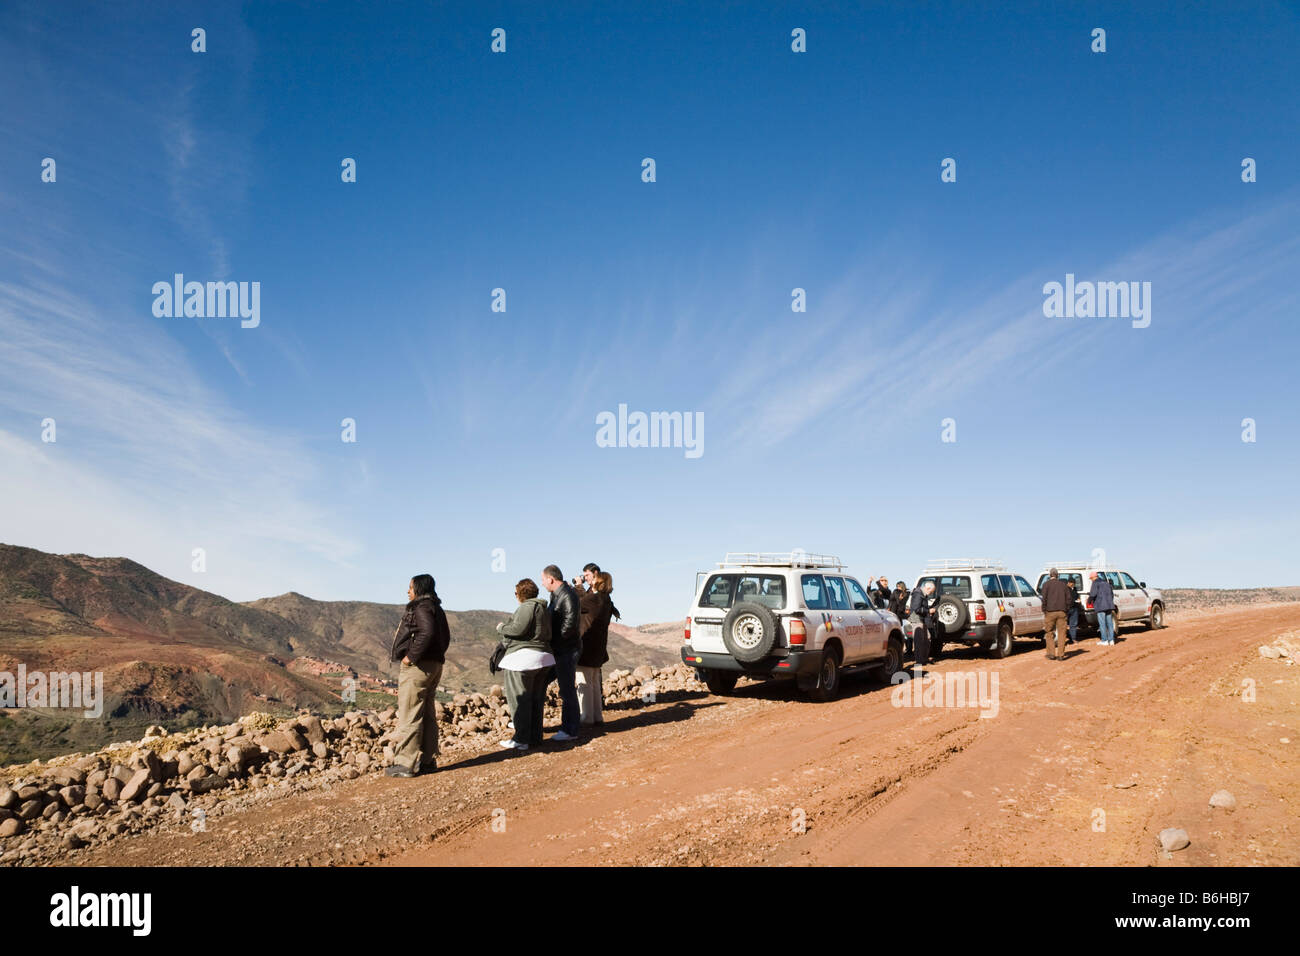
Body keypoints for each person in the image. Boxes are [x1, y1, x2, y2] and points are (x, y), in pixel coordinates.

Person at [387, 573, 451, 777]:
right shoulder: (436, 608)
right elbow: (444, 637)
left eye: (410, 587)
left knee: (410, 713)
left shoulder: (421, 607)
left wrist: (410, 657)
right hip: (434, 665)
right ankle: (428, 760)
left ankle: (405, 763)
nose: (408, 591)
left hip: (418, 668)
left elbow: (427, 632)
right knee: (427, 714)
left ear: (419, 589)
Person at [496, 578, 553, 751]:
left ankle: (521, 739)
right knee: (535, 700)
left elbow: (517, 629)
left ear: (521, 593)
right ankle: (535, 737)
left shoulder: (527, 606)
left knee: (519, 699)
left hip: (523, 660)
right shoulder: (543, 608)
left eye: (515, 593)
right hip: (544, 658)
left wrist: (501, 628)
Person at [542, 564, 582, 741]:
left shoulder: (567, 596)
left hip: (566, 650)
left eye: (543, 580)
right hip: (558, 649)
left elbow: (570, 625)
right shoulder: (557, 595)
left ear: (551, 579)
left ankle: (570, 729)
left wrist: (554, 640)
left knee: (567, 690)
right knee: (544, 681)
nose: (542, 584)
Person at [576, 571, 614, 727]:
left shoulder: (593, 598)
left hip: (587, 646)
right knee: (593, 683)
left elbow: (577, 604)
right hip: (599, 647)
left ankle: (586, 717)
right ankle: (597, 716)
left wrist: (578, 586)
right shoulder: (607, 600)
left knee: (584, 682)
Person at [1040, 568, 1070, 661]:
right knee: (1062, 633)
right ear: (1057, 575)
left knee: (1049, 633)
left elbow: (1044, 599)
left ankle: (1051, 654)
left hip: (1050, 612)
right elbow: (1069, 599)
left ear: (1050, 575)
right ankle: (1061, 655)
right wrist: (1066, 610)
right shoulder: (1063, 585)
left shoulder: (1046, 585)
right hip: (1062, 612)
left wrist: (1044, 610)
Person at [908, 580, 938, 669]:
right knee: (919, 641)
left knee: (927, 637)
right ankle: (919, 661)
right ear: (927, 588)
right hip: (916, 619)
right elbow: (916, 609)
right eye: (931, 592)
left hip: (922, 619)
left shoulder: (921, 593)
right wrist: (929, 611)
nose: (930, 594)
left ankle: (924, 659)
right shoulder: (918, 594)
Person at [1088, 571, 1118, 646]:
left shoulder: (1095, 583)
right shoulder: (1106, 583)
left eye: (1091, 578)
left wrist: (1089, 601)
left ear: (1093, 577)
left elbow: (1093, 594)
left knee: (1102, 623)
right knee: (1110, 623)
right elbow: (1112, 594)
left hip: (1101, 606)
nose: (1091, 580)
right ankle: (1111, 640)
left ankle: (1104, 640)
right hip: (1109, 605)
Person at [888, 581, 911, 652]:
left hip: (901, 614)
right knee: (900, 633)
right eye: (897, 587)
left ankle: (908, 649)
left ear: (903, 586)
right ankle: (901, 649)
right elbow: (892, 602)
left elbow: (900, 603)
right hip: (895, 614)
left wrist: (899, 599)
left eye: (899, 586)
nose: (898, 588)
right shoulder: (896, 592)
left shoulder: (906, 593)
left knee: (906, 633)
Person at [1066, 579, 1082, 644]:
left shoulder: (1074, 589)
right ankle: (1067, 638)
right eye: (1070, 583)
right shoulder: (1065, 589)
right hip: (1067, 608)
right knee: (1064, 624)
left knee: (1073, 624)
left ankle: (1073, 638)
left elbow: (1076, 596)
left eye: (1073, 583)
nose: (1071, 584)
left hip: (1075, 608)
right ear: (1068, 583)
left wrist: (1078, 599)